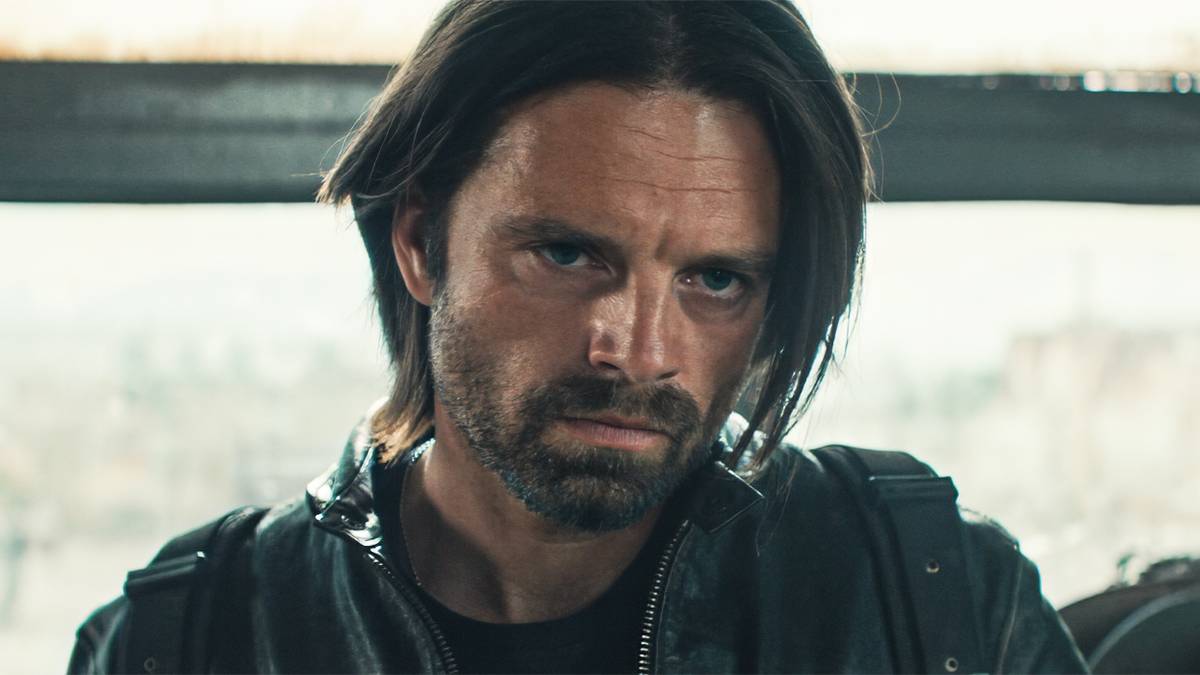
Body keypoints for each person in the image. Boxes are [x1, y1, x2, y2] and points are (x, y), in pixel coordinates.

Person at [70, 2, 1088, 673]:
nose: (637, 350)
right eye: (565, 254)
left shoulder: (936, 598)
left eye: (715, 279)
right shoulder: (188, 638)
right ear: (421, 242)